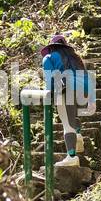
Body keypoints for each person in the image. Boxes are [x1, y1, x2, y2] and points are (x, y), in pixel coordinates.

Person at [41, 33, 89, 167]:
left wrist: (49, 94)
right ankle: (78, 136)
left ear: (51, 47)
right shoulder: (76, 57)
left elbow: (49, 79)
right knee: (73, 115)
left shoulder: (49, 57)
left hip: (66, 89)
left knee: (67, 124)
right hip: (84, 90)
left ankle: (72, 156)